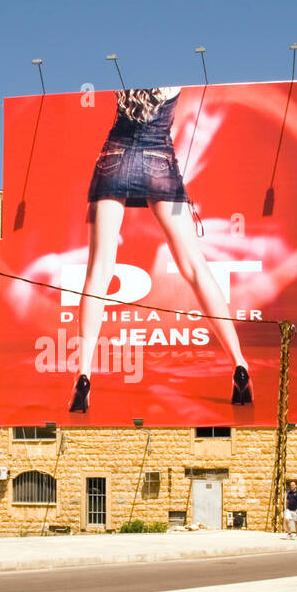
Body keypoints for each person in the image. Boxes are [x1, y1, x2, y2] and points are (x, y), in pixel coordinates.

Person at [69, 87, 250, 413]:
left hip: (114, 160)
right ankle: (239, 364)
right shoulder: (172, 80)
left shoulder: (123, 79)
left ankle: (83, 374)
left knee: (99, 270)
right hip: (160, 165)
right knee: (195, 268)